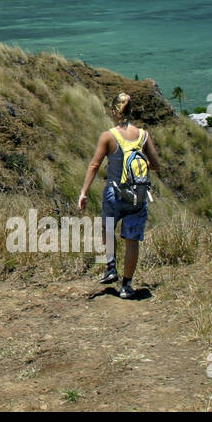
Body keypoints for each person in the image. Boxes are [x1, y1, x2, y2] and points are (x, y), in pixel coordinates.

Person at [77, 92, 161, 299]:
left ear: (114, 112)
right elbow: (156, 165)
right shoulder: (144, 136)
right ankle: (127, 286)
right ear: (131, 111)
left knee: (106, 228)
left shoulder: (108, 136)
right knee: (132, 241)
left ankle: (111, 266)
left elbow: (95, 164)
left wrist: (84, 192)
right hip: (138, 196)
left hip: (115, 194)